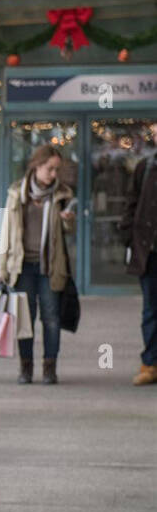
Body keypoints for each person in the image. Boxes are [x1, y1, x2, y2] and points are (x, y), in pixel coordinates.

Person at [0, 144, 76, 385]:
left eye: (57, 170)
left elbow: (68, 232)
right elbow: (6, 233)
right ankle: (26, 367)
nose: (54, 174)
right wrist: (1, 268)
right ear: (36, 165)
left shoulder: (62, 194)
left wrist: (67, 221)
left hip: (50, 267)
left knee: (51, 318)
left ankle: (50, 368)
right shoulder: (16, 194)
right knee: (24, 320)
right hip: (22, 267)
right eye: (50, 169)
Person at [118, 149, 157, 386]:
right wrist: (128, 238)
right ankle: (150, 363)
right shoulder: (146, 167)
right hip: (149, 252)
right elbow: (130, 205)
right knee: (151, 309)